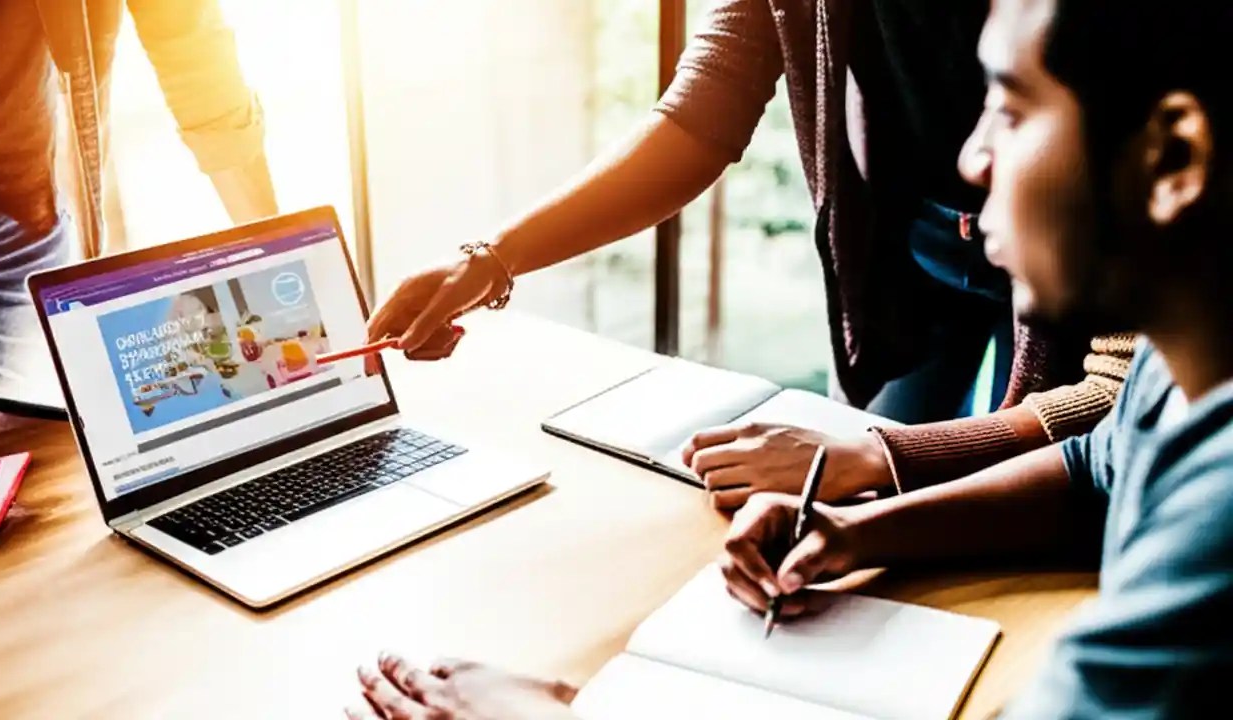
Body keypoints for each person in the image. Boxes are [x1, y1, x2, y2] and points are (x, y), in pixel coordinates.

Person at [341, 0, 1233, 715]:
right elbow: (1099, 464)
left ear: (1176, 159)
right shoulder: (1181, 384)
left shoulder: (1210, 527)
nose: (970, 157)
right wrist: (861, 527)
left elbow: (1106, 416)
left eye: (1007, 106)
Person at [363, 0, 1134, 511]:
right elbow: (703, 112)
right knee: (845, 484)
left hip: (1066, 251)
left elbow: (1117, 407)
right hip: (908, 249)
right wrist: (491, 259)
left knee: (1041, 501)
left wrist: (885, 458)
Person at [0, 0, 277, 415]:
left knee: (46, 446)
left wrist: (274, 245)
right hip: (23, 216)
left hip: (25, 219)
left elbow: (187, 37)